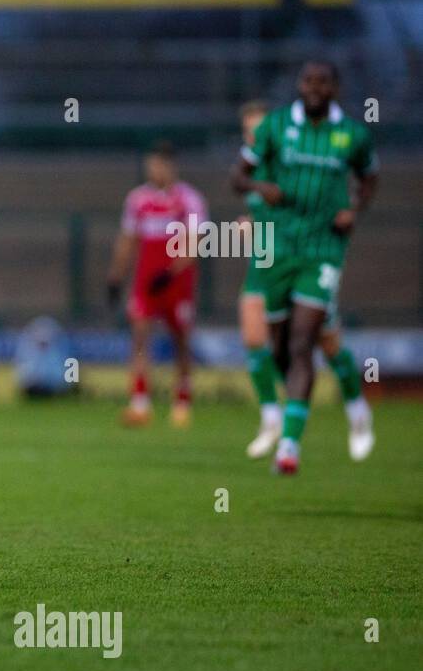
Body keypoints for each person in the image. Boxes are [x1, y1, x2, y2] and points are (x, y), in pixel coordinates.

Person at [230, 61, 378, 474]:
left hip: (321, 253)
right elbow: (241, 187)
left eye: (322, 82)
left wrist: (354, 209)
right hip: (274, 256)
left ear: (334, 88)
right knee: (274, 346)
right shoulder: (268, 151)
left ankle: (307, 429)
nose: (254, 134)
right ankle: (278, 417)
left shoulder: (350, 135)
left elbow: (369, 176)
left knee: (309, 343)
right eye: (249, 129)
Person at [106, 141, 207, 428]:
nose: (155, 170)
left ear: (171, 166)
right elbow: (128, 240)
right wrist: (116, 275)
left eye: (160, 165)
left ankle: (182, 400)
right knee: (139, 335)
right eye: (151, 165)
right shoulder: (137, 200)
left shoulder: (188, 199)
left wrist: (171, 271)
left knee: (181, 341)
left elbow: (194, 242)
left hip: (176, 281)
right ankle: (140, 402)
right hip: (146, 280)